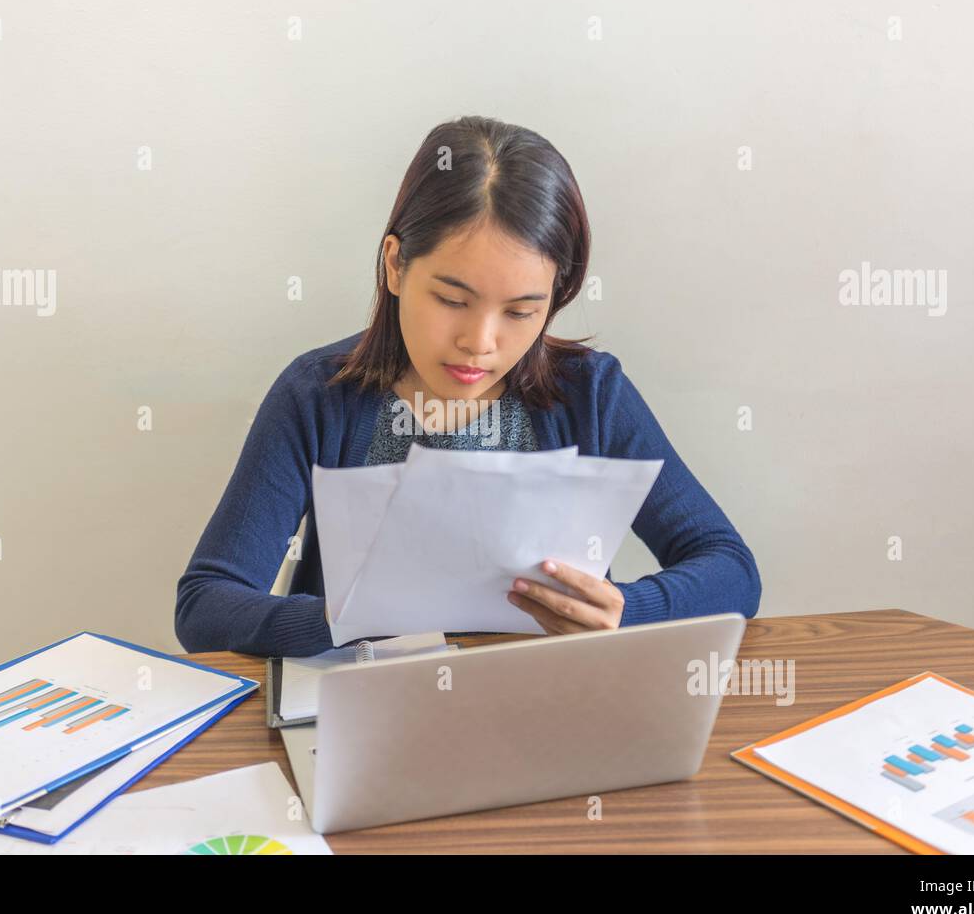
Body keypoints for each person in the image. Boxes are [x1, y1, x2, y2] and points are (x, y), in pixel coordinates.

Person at [176, 115, 761, 657]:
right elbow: (206, 606)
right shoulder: (319, 397)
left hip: (558, 699)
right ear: (395, 264)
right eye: (453, 300)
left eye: (521, 312)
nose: (480, 342)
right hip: (374, 703)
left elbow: (732, 571)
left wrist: (629, 611)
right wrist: (348, 621)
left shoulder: (590, 394)